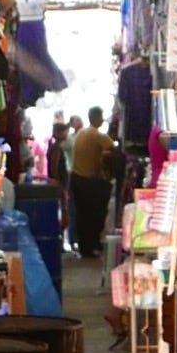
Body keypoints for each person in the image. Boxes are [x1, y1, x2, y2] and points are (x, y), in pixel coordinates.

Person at [64, 110, 118, 258]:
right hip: (87, 181)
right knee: (93, 215)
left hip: (76, 179)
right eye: (101, 117)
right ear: (97, 118)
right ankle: (91, 245)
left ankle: (84, 247)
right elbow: (113, 149)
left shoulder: (81, 133)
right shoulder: (97, 135)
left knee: (82, 215)